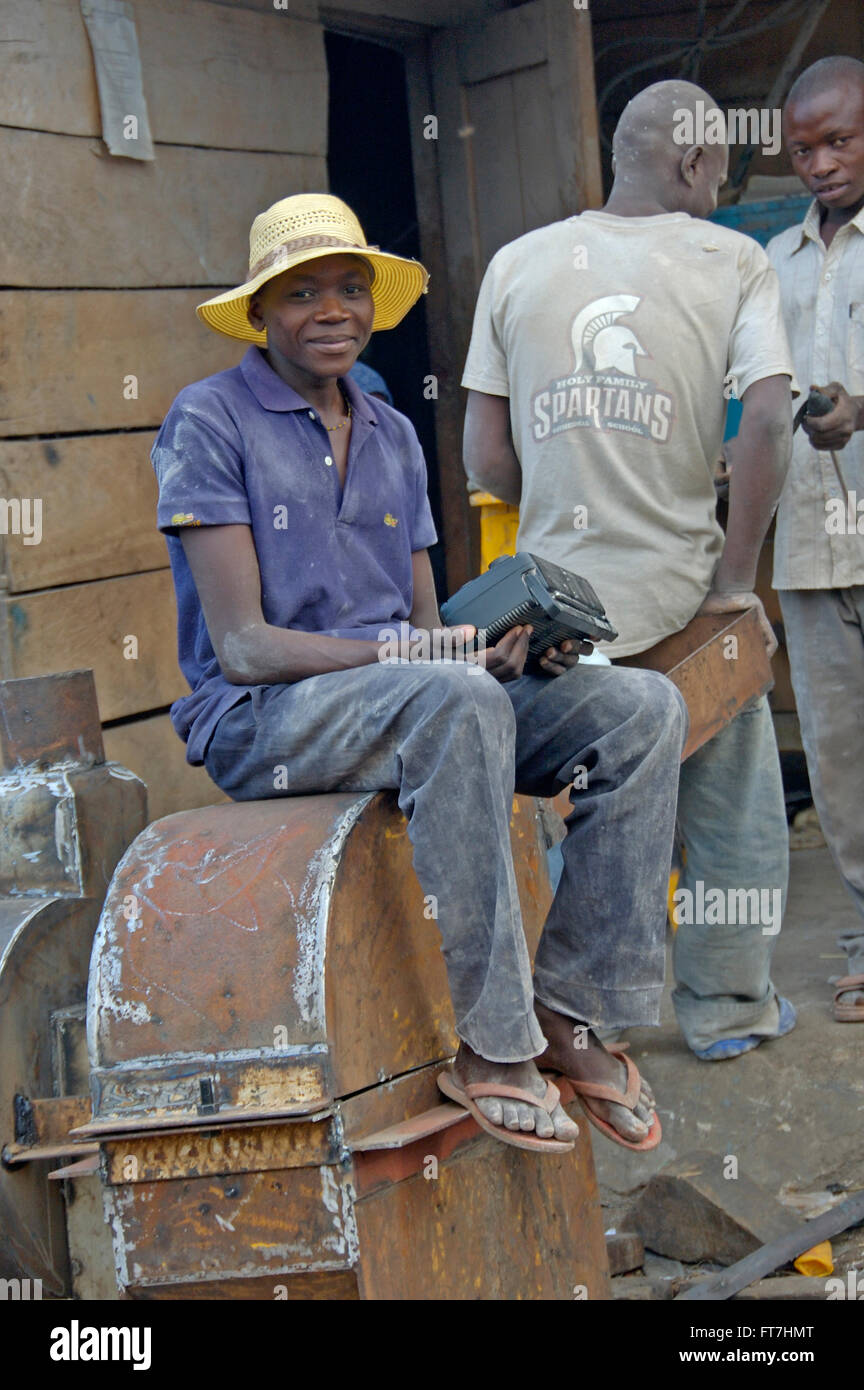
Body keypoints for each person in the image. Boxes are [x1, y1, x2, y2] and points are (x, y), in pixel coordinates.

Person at [151, 192, 687, 1153]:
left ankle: (571, 1012)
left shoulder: (391, 429)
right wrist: (427, 658)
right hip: (264, 719)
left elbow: (431, 626)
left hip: (413, 699)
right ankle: (493, 1045)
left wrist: (505, 649)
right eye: (302, 292)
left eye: (350, 290)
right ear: (263, 311)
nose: (332, 311)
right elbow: (245, 648)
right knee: (451, 693)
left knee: (640, 705)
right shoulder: (209, 421)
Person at [462, 80, 798, 1060]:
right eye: (720, 168)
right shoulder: (734, 260)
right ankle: (729, 1010)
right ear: (694, 162)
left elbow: (485, 459)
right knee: (730, 796)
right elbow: (771, 418)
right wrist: (737, 577)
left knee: (591, 802)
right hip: (684, 590)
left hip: (558, 602)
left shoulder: (518, 265)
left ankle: (589, 1017)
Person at [766, 55, 864, 1023]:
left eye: (839, 141)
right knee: (839, 761)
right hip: (810, 544)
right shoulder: (774, 259)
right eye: (803, 148)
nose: (820, 164)